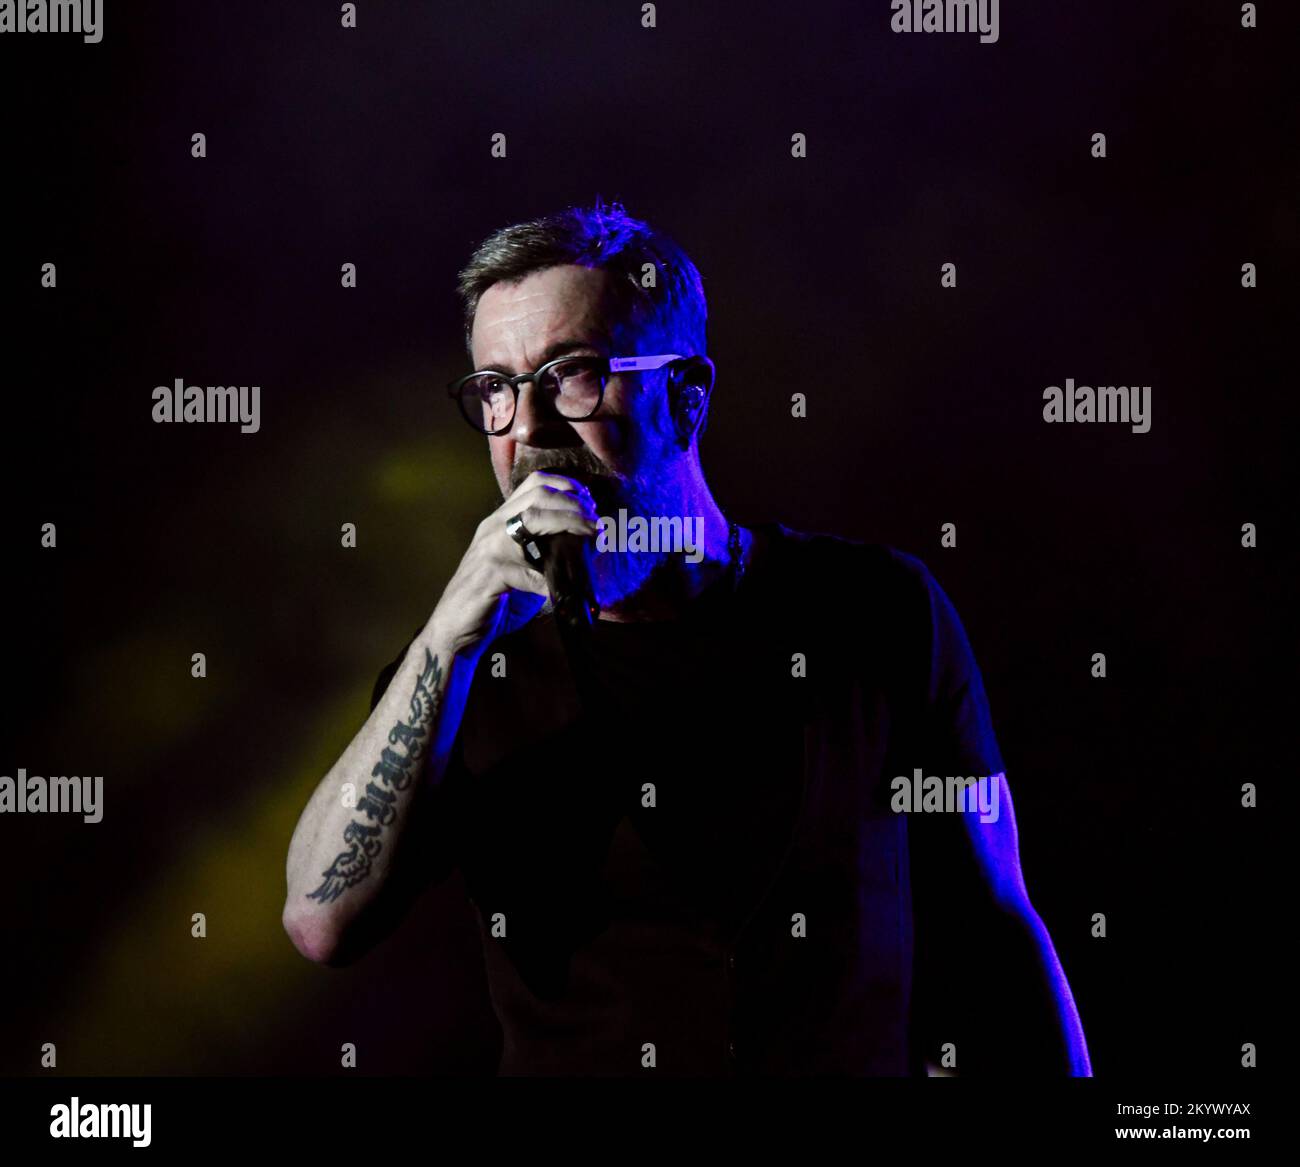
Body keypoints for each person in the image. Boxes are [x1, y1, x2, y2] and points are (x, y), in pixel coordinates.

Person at [281, 198, 1091, 1076]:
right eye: (498, 390)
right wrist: (444, 637)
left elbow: (995, 923)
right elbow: (322, 919)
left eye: (572, 374)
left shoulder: (877, 609)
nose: (530, 429)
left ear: (686, 396)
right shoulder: (470, 666)